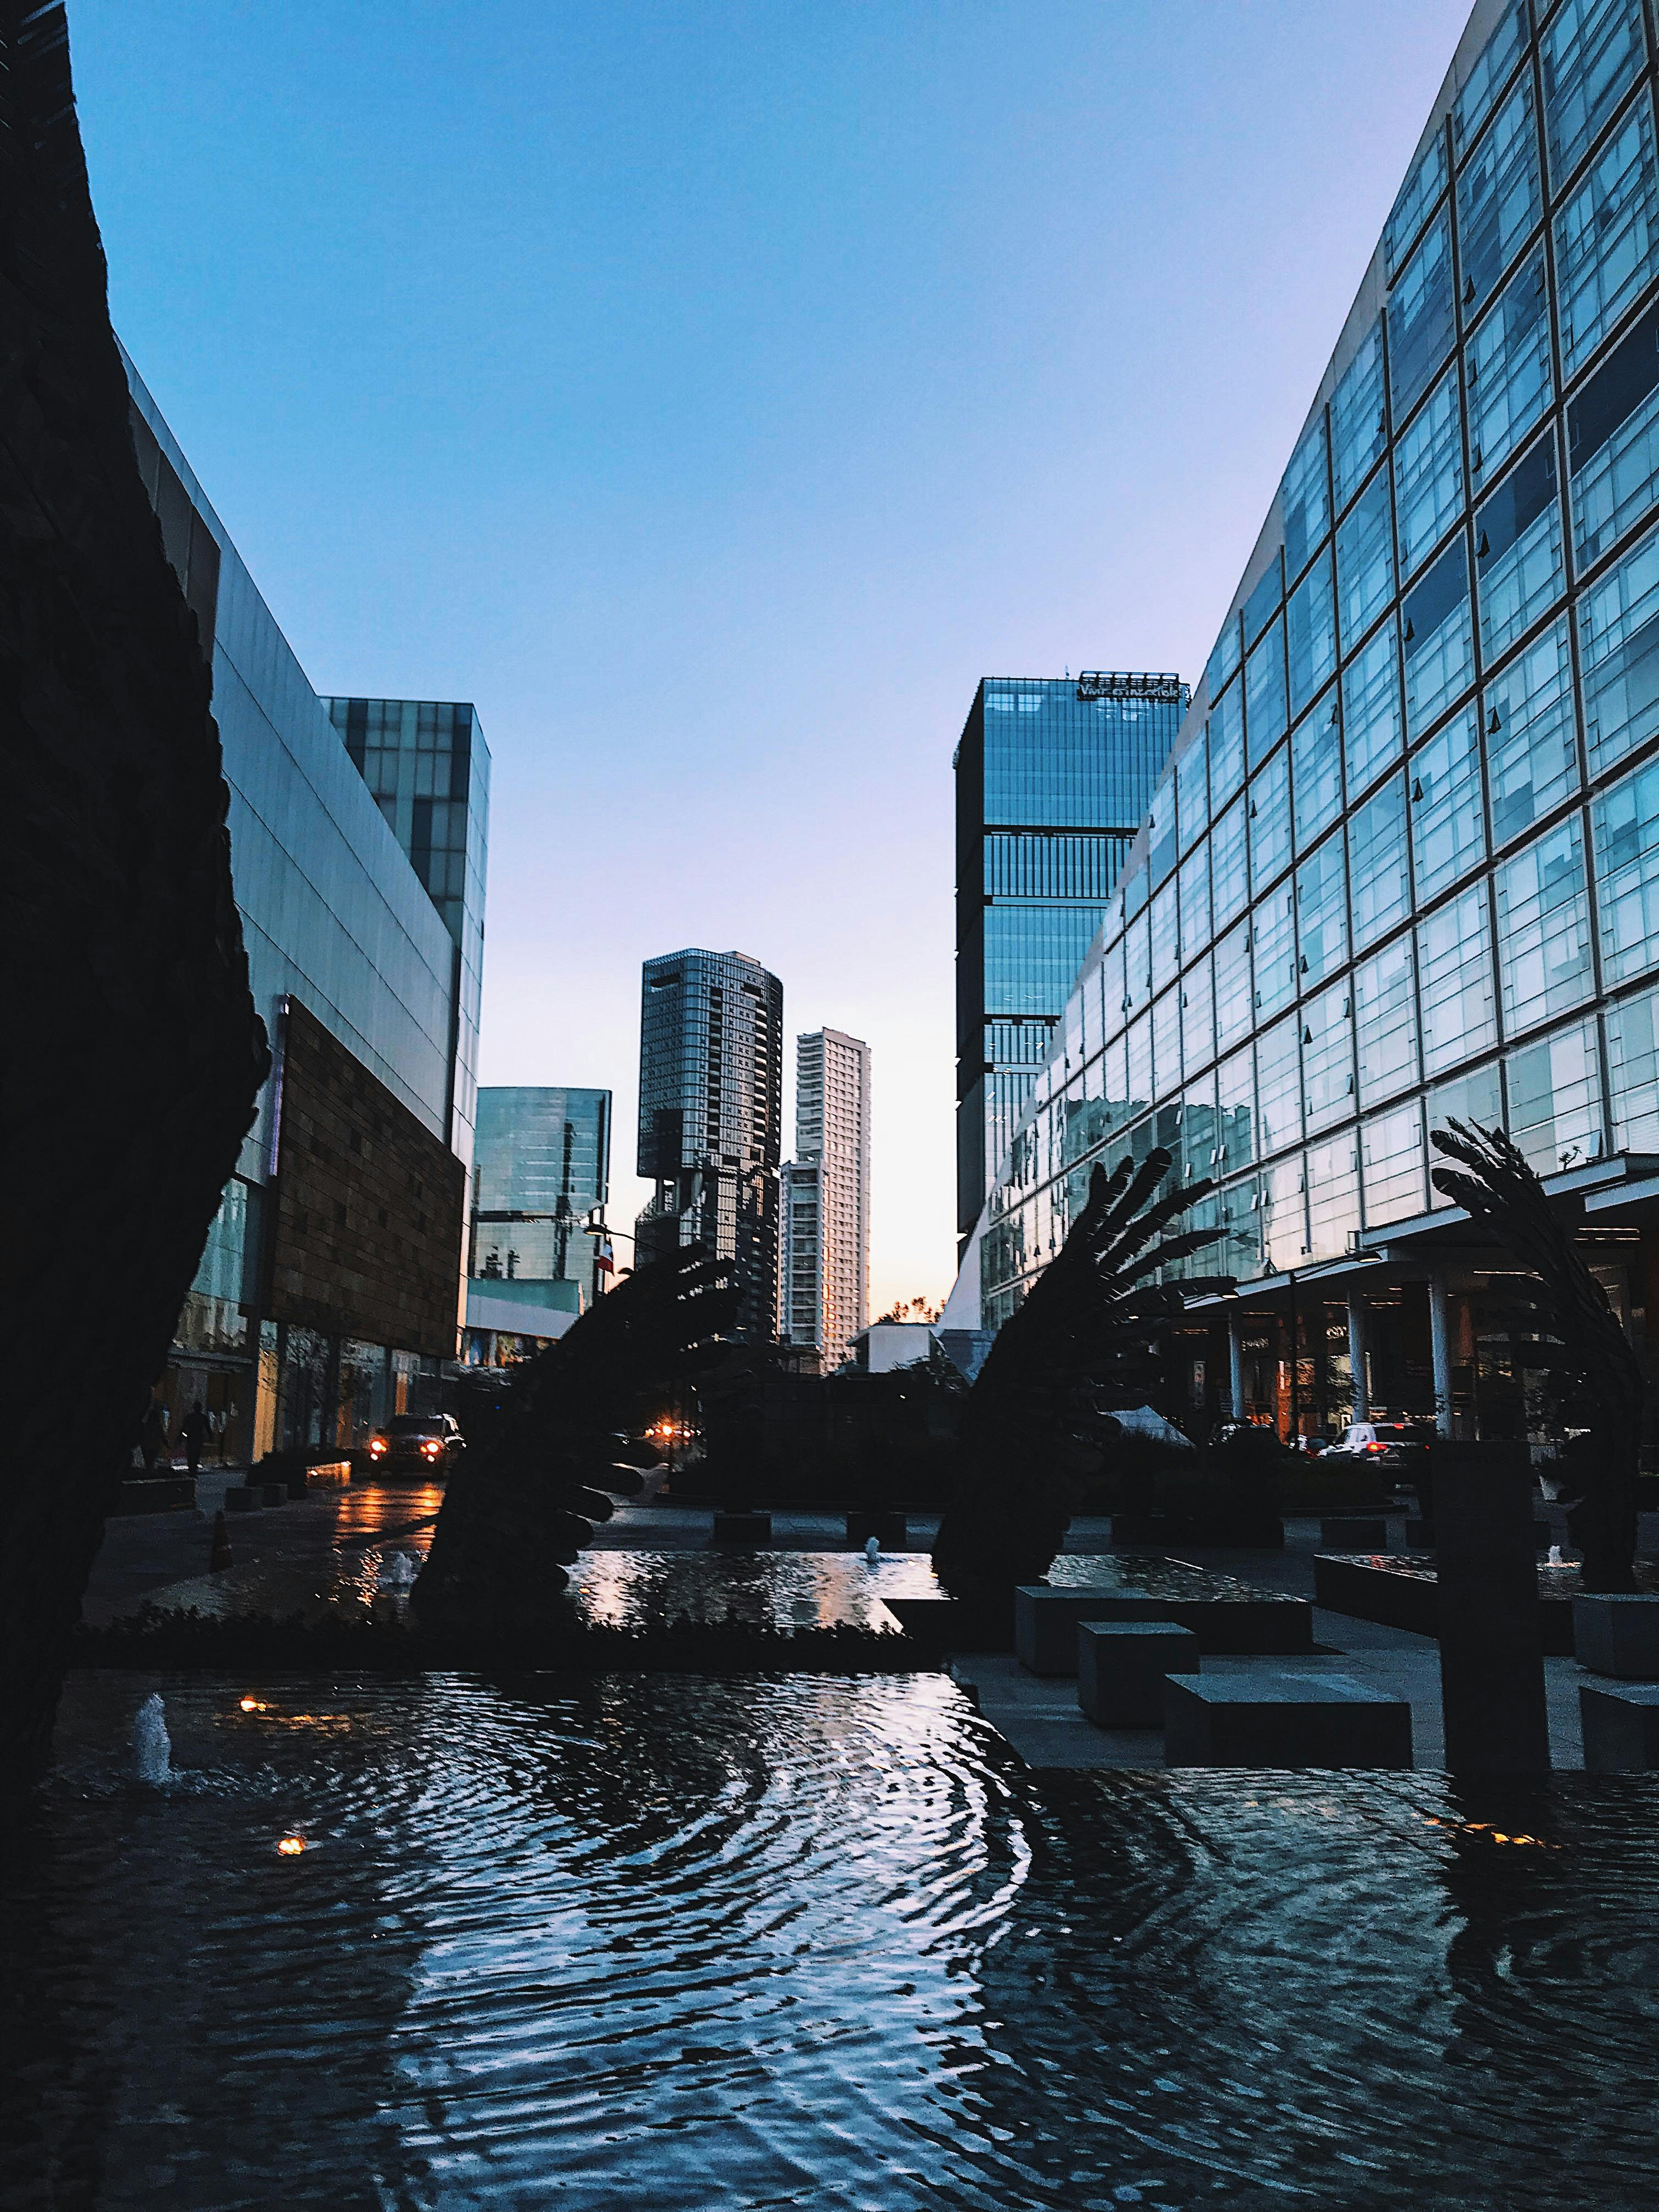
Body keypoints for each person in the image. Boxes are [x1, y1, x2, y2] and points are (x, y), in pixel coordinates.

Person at [178, 1398, 207, 1477]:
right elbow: (208, 1429)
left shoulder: (190, 1417)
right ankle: (193, 1470)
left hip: (191, 1439)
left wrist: (184, 1437)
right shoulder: (203, 1417)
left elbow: (183, 1429)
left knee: (191, 1454)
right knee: (196, 1454)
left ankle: (192, 1469)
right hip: (198, 1439)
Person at [139, 1397, 167, 1473]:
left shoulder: (146, 1426)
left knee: (148, 1461)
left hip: (146, 1446)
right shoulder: (158, 1426)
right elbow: (162, 1436)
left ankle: (148, 1472)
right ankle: (150, 1472)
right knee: (151, 1461)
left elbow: (141, 1435)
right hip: (154, 1446)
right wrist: (167, 1444)